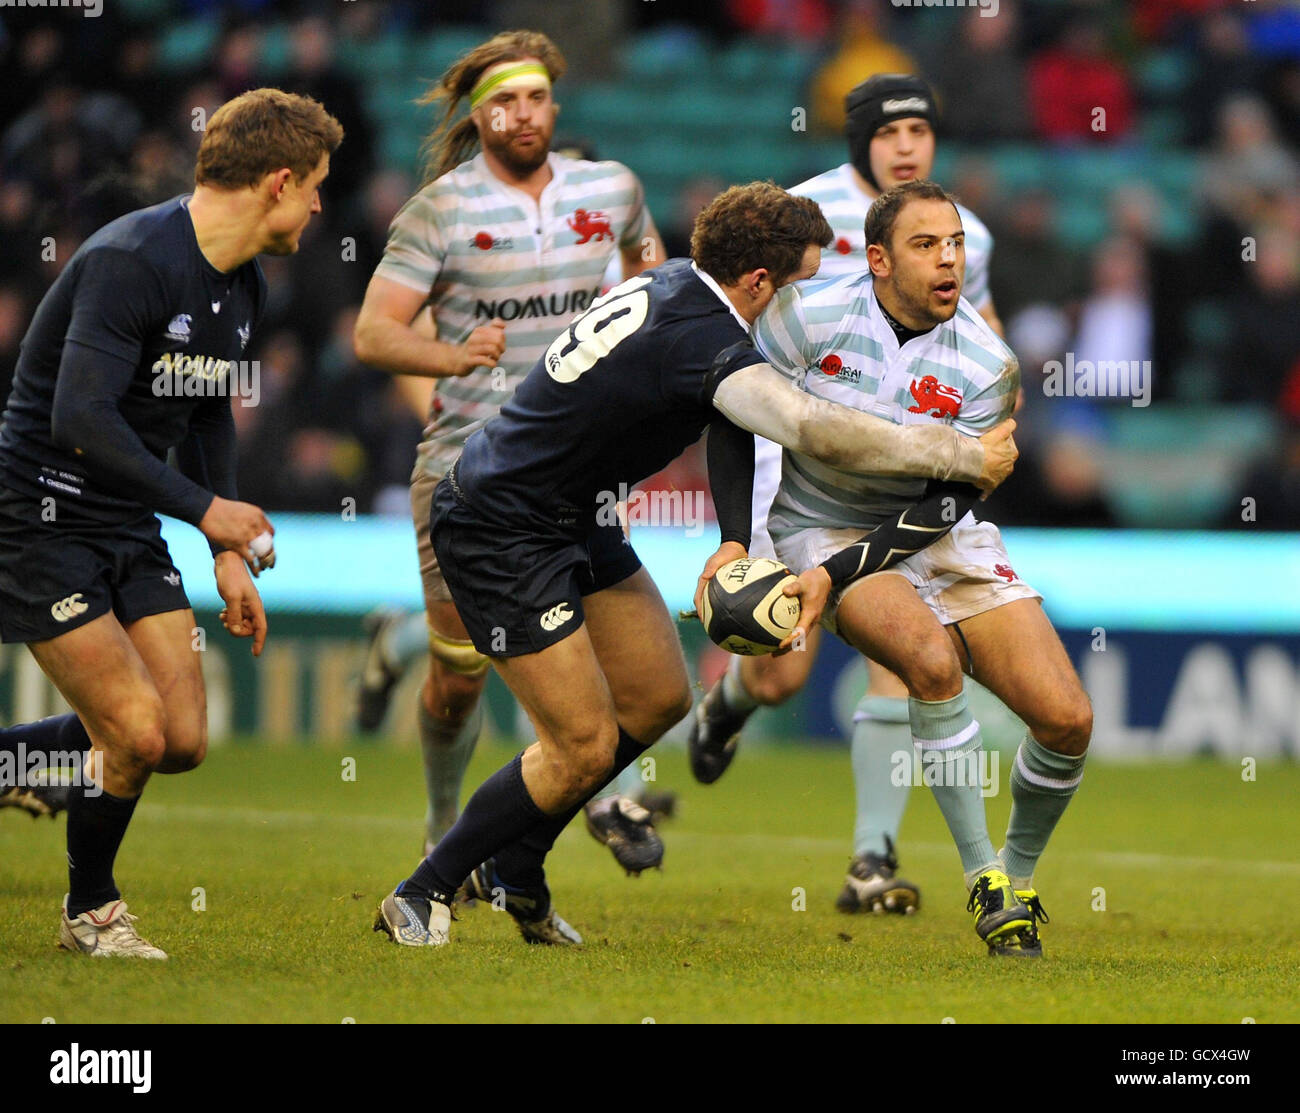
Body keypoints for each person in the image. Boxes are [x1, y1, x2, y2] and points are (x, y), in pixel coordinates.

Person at [371, 180, 1020, 948]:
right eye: (801, 282)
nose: (805, 300)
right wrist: (964, 452)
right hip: (500, 524)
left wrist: (735, 538)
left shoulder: (679, 283)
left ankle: (519, 865)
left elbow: (730, 419)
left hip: (576, 513)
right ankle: (423, 889)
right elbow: (811, 427)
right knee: (579, 745)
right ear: (757, 283)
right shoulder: (699, 338)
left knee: (655, 699)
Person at [0, 88, 342, 957]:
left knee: (181, 739)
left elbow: (205, 411)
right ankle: (92, 912)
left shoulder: (244, 283)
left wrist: (223, 544)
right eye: (315, 187)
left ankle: (15, 761)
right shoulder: (132, 258)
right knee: (136, 731)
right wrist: (205, 508)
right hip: (41, 514)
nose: (319, 206)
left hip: (129, 517)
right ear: (277, 181)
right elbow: (78, 418)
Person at [351, 30, 672, 878]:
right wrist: (450, 356)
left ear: (553, 105)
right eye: (502, 102)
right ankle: (445, 820)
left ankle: (573, 814)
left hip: (577, 473)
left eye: (533, 99)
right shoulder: (441, 209)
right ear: (478, 114)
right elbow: (374, 332)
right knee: (461, 678)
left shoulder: (612, 190)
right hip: (468, 468)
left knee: (596, 661)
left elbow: (655, 278)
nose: (520, 115)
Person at [688, 73, 1007, 917]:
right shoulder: (802, 212)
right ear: (858, 138)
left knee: (902, 652)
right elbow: (739, 331)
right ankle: (723, 705)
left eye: (922, 130)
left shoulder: (962, 231)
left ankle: (872, 858)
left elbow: (982, 331)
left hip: (899, 470)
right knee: (779, 674)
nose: (908, 145)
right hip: (791, 465)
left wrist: (996, 419)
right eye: (890, 130)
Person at [746, 180, 1091, 955]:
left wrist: (845, 571)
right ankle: (986, 883)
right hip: (821, 526)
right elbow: (735, 415)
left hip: (936, 532)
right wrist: (741, 543)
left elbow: (945, 507)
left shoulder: (988, 362)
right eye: (926, 245)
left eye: (958, 245)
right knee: (930, 662)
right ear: (877, 259)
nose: (949, 261)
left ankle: (1021, 874)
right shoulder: (806, 316)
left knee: (1068, 720)